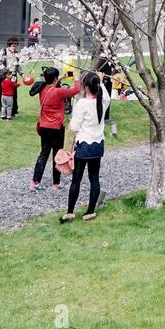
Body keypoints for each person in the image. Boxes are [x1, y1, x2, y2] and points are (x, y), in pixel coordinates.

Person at [61, 71, 111, 222]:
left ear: (85, 86)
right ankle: (90, 211)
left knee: (76, 179)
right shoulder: (103, 101)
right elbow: (106, 95)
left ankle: (70, 212)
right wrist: (101, 81)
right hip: (98, 144)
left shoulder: (83, 103)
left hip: (84, 144)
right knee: (94, 178)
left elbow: (75, 126)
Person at [29, 66, 80, 193]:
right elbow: (76, 90)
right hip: (56, 128)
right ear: (55, 78)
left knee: (43, 154)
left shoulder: (43, 89)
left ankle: (35, 182)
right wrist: (77, 78)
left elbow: (51, 85)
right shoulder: (59, 92)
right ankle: (56, 183)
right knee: (57, 155)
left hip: (44, 127)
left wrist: (59, 78)